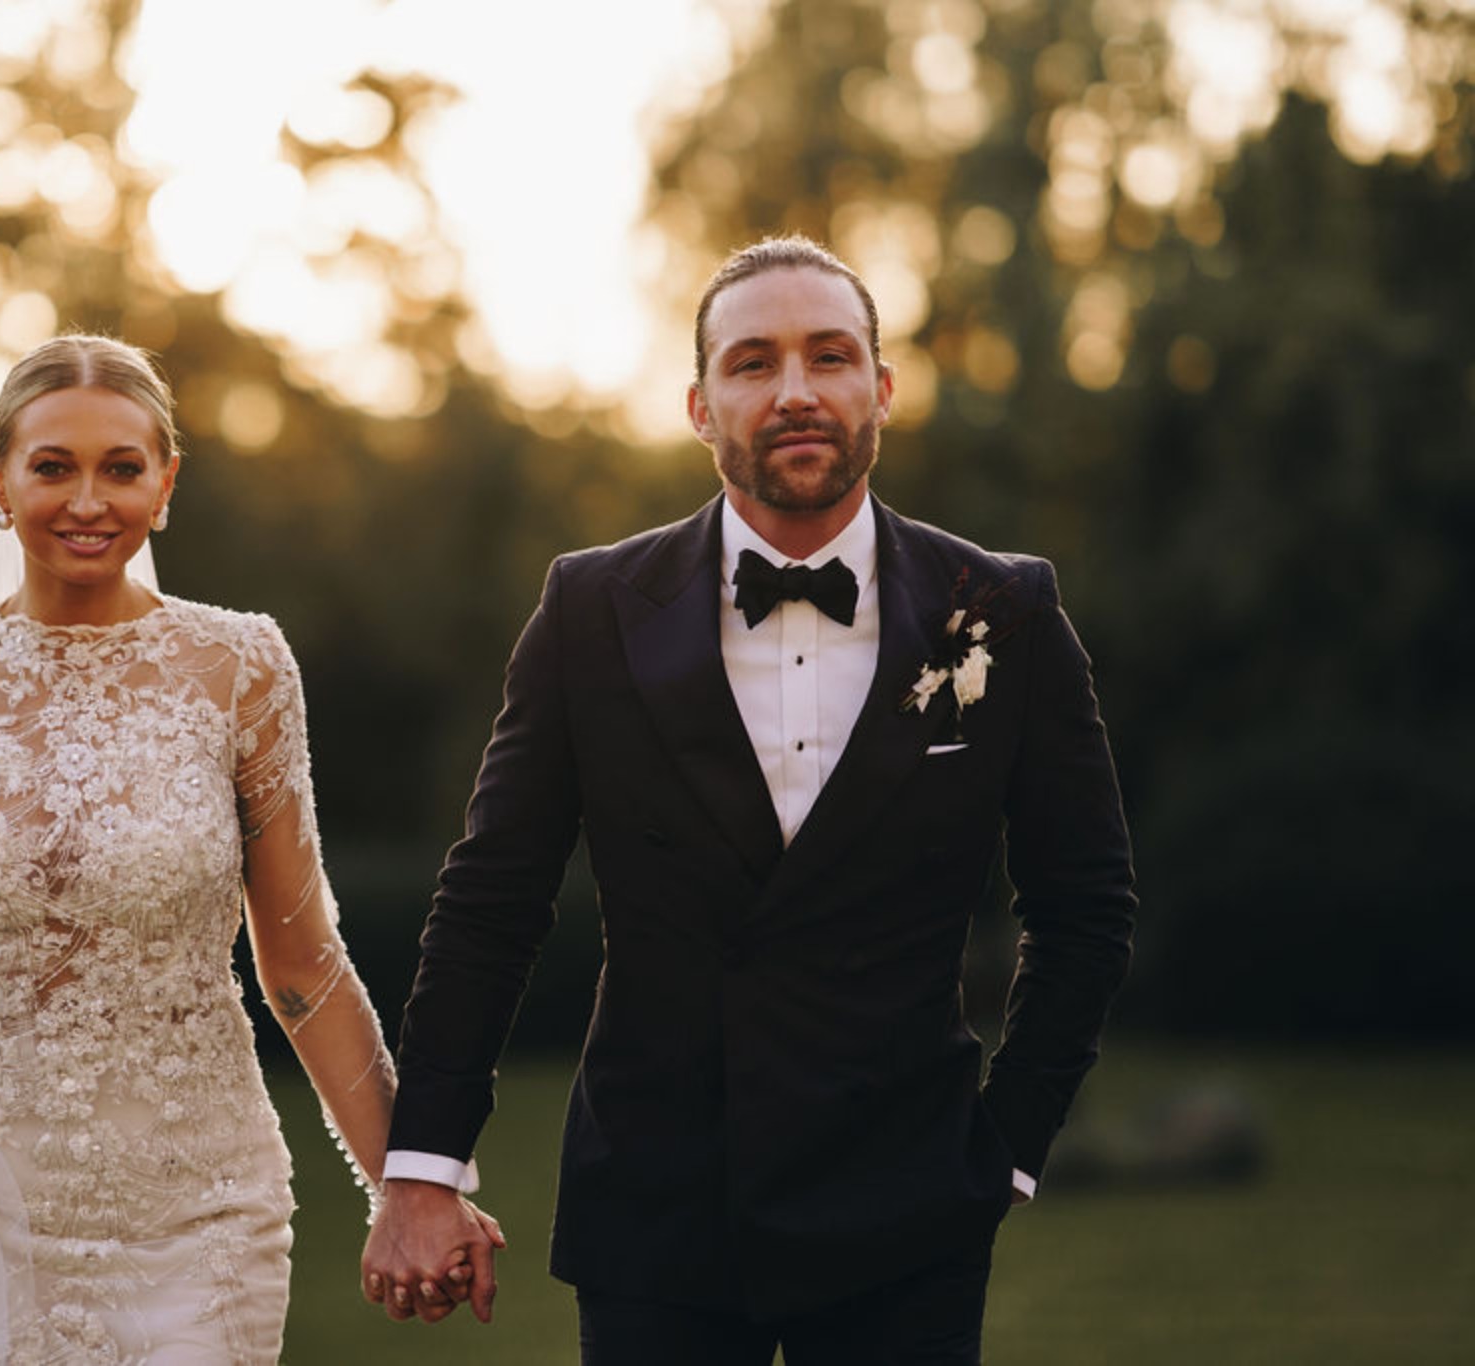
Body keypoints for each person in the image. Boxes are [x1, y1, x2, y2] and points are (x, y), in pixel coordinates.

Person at [359, 236, 1137, 1362]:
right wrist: (423, 1168)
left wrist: (1008, 1142)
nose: (794, 392)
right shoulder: (591, 609)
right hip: (656, 1212)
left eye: (828, 357)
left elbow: (1086, 904)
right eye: (752, 362)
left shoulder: (1000, 613)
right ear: (697, 403)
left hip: (904, 1210)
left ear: (881, 387)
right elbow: (492, 898)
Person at [0, 334, 491, 1364]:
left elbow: (304, 962)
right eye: (51, 465)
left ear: (166, 482)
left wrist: (412, 1185)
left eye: (120, 466)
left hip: (198, 1205)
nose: (86, 500)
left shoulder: (240, 666)